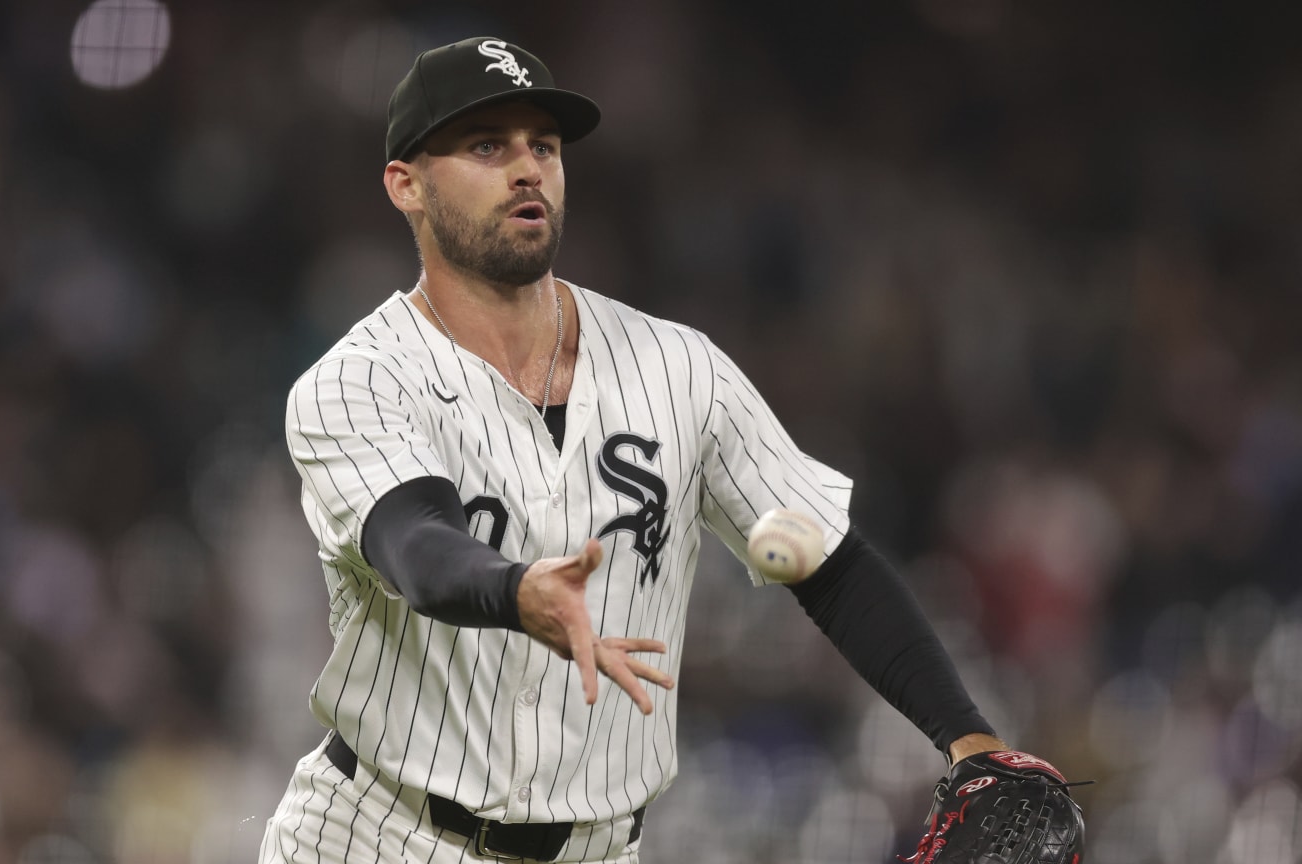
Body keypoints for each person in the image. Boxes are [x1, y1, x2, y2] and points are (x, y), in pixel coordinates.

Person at [260, 36, 1013, 864]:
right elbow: (415, 547)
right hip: (381, 834)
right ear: (405, 184)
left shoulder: (680, 368)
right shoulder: (357, 381)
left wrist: (969, 740)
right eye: (486, 146)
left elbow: (825, 564)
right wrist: (516, 592)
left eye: (542, 146)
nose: (527, 169)